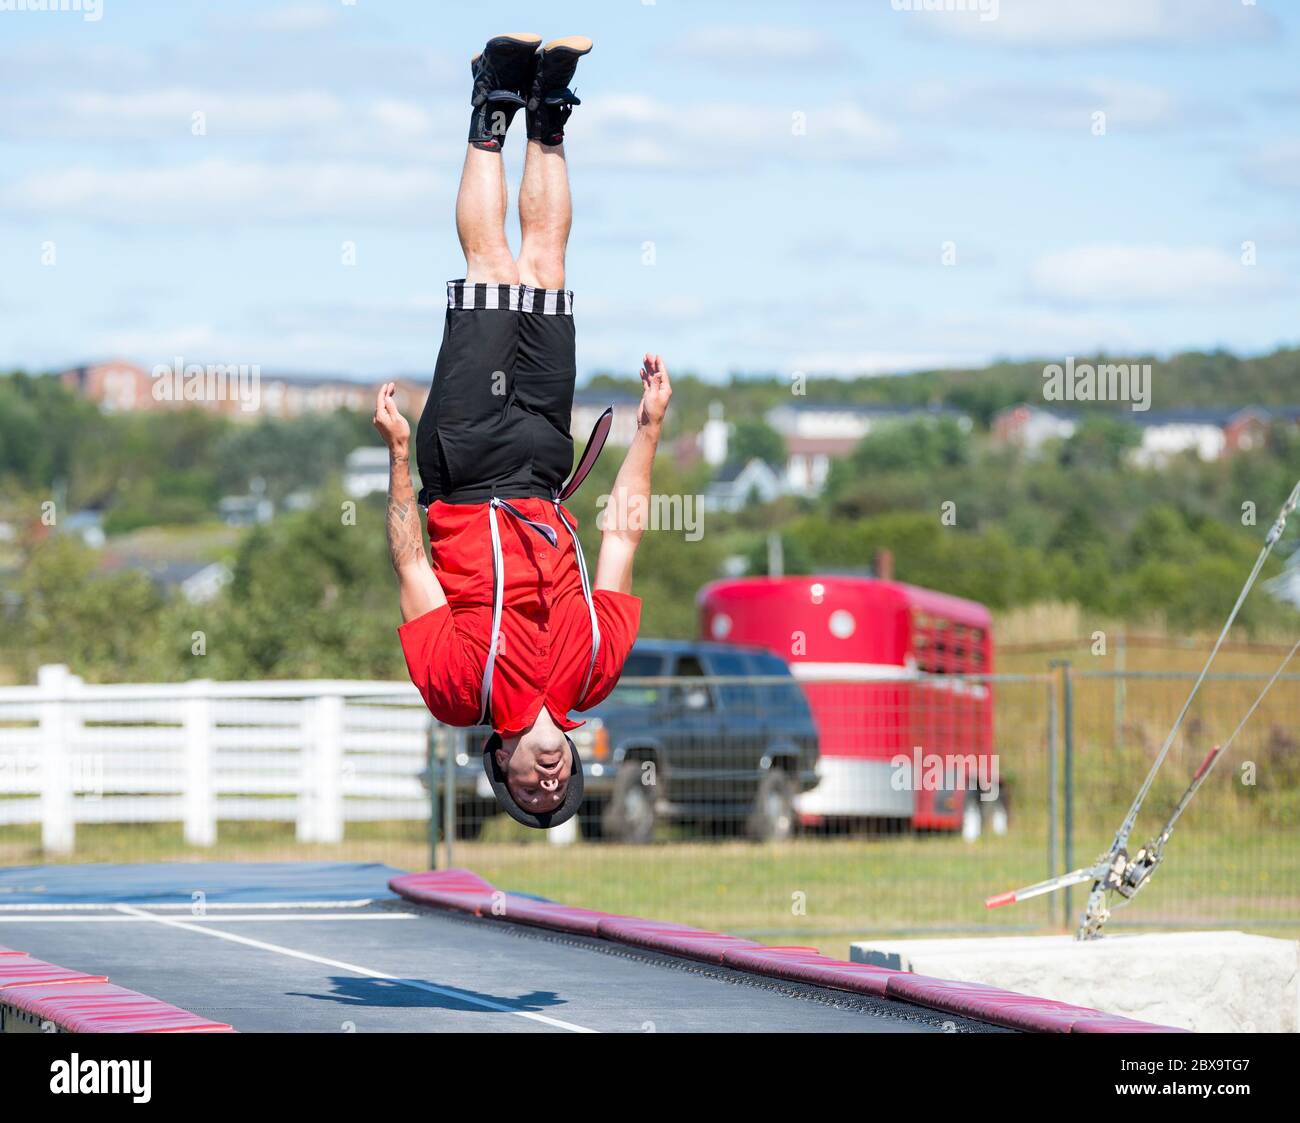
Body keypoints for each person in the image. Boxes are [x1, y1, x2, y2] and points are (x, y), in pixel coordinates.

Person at [371, 33, 672, 830]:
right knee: (547, 268)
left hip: (464, 469)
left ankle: (488, 107)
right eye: (558, 790)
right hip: (542, 466)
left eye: (530, 792)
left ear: (498, 763)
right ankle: (548, 114)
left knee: (493, 267)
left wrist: (401, 458)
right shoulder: (597, 674)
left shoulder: (456, 692)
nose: (546, 782)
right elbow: (622, 540)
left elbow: (409, 557)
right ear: (575, 762)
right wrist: (647, 433)